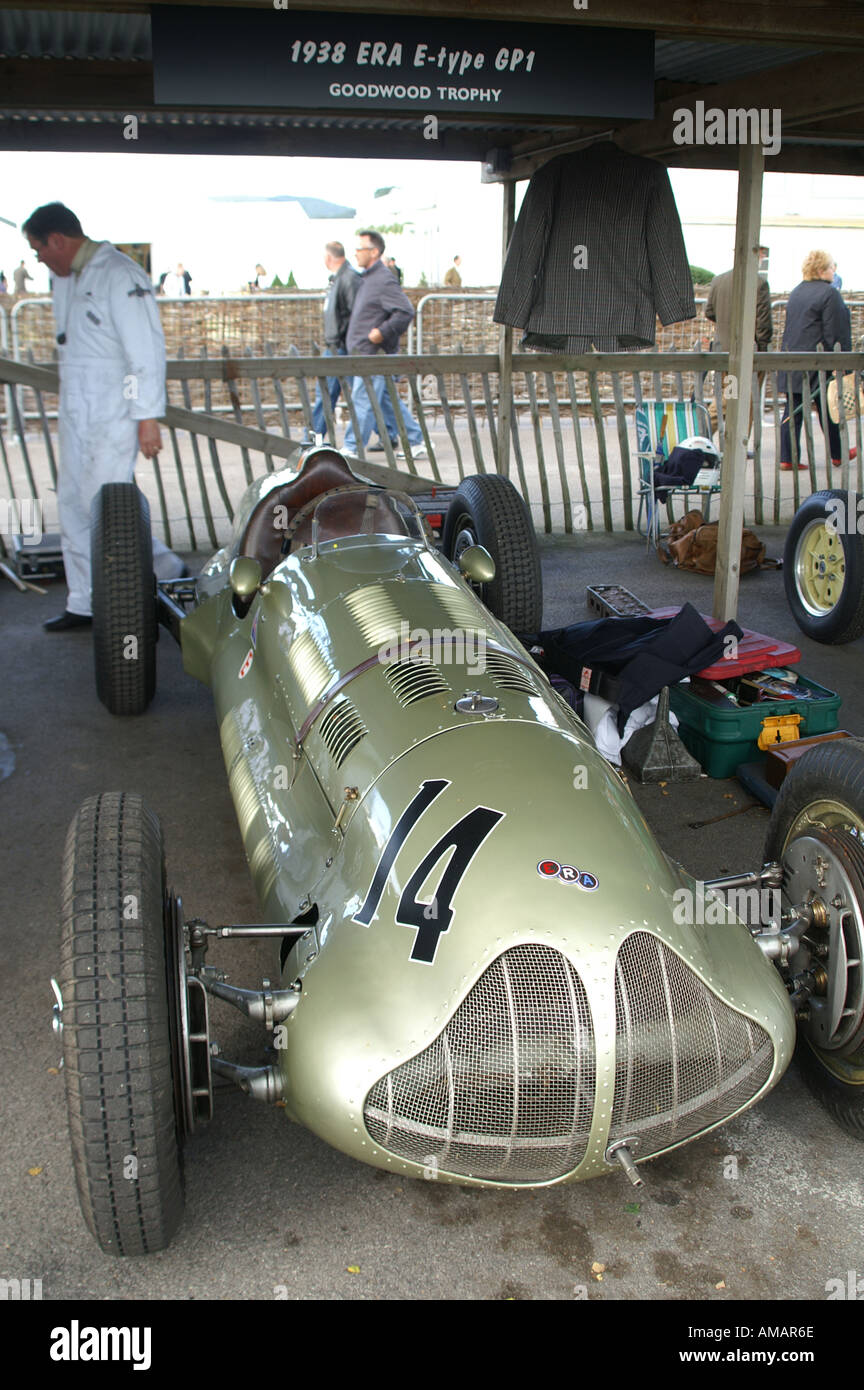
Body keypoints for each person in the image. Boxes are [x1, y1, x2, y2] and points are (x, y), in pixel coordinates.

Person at [22, 202, 185, 631]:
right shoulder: (67, 278)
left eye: (39, 249)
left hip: (115, 409)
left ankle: (141, 590)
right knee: (73, 500)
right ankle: (84, 601)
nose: (39, 258)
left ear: (57, 239)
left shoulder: (120, 274)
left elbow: (144, 352)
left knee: (107, 506)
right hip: (78, 408)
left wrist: (146, 416)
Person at [342, 230, 426, 461]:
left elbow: (405, 311)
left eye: (360, 249)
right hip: (366, 353)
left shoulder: (383, 278)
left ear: (374, 252)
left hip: (374, 354)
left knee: (363, 399)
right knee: (387, 401)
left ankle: (351, 447)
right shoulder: (369, 278)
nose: (356, 253)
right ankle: (415, 440)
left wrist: (382, 332)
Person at [778, 250, 854, 470]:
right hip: (817, 361)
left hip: (793, 359)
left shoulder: (797, 292)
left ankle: (787, 457)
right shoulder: (830, 294)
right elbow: (835, 332)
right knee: (828, 407)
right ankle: (838, 454)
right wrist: (842, 363)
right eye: (832, 267)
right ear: (821, 270)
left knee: (793, 410)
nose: (834, 270)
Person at [704, 246, 773, 434]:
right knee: (741, 400)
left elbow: (709, 311)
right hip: (748, 355)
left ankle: (714, 436)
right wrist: (763, 348)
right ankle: (707, 434)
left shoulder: (719, 280)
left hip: (723, 350)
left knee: (729, 394)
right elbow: (763, 323)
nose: (762, 257)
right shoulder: (758, 283)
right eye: (761, 254)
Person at [311, 241, 359, 441]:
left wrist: (347, 342)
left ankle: (314, 437)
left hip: (342, 347)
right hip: (335, 345)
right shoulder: (337, 279)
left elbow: (355, 314)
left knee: (363, 396)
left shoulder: (348, 278)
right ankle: (315, 436)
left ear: (329, 257)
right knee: (365, 396)